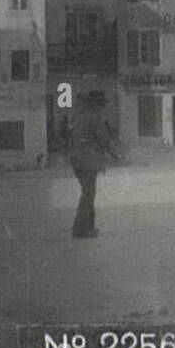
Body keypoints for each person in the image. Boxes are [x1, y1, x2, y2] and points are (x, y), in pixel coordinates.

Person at [68, 90, 118, 238]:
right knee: (88, 194)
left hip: (77, 161)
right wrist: (116, 156)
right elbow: (104, 140)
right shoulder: (94, 118)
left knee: (88, 192)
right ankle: (79, 229)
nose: (103, 108)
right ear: (95, 105)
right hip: (88, 161)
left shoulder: (79, 116)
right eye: (101, 105)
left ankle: (88, 227)